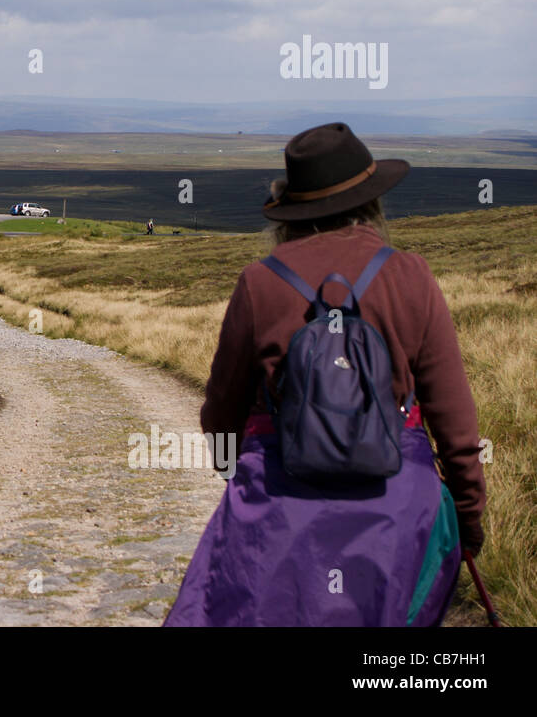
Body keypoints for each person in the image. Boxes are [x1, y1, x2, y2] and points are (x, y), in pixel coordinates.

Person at [165, 122, 485, 627]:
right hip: (397, 508)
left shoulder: (260, 282)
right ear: (371, 202)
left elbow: (222, 409)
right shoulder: (411, 275)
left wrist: (241, 477)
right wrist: (467, 517)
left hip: (280, 504)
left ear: (294, 210)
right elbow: (455, 422)